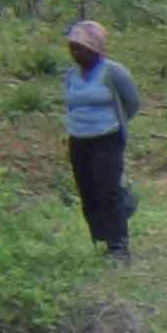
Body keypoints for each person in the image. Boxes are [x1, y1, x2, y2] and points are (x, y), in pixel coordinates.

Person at [55, 19, 135, 257]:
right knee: (87, 190)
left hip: (107, 139)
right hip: (78, 140)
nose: (75, 52)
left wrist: (114, 123)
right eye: (72, 47)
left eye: (79, 47)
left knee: (108, 190)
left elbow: (132, 102)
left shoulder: (114, 72)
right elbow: (71, 106)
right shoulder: (71, 75)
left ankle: (119, 245)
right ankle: (102, 238)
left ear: (95, 48)